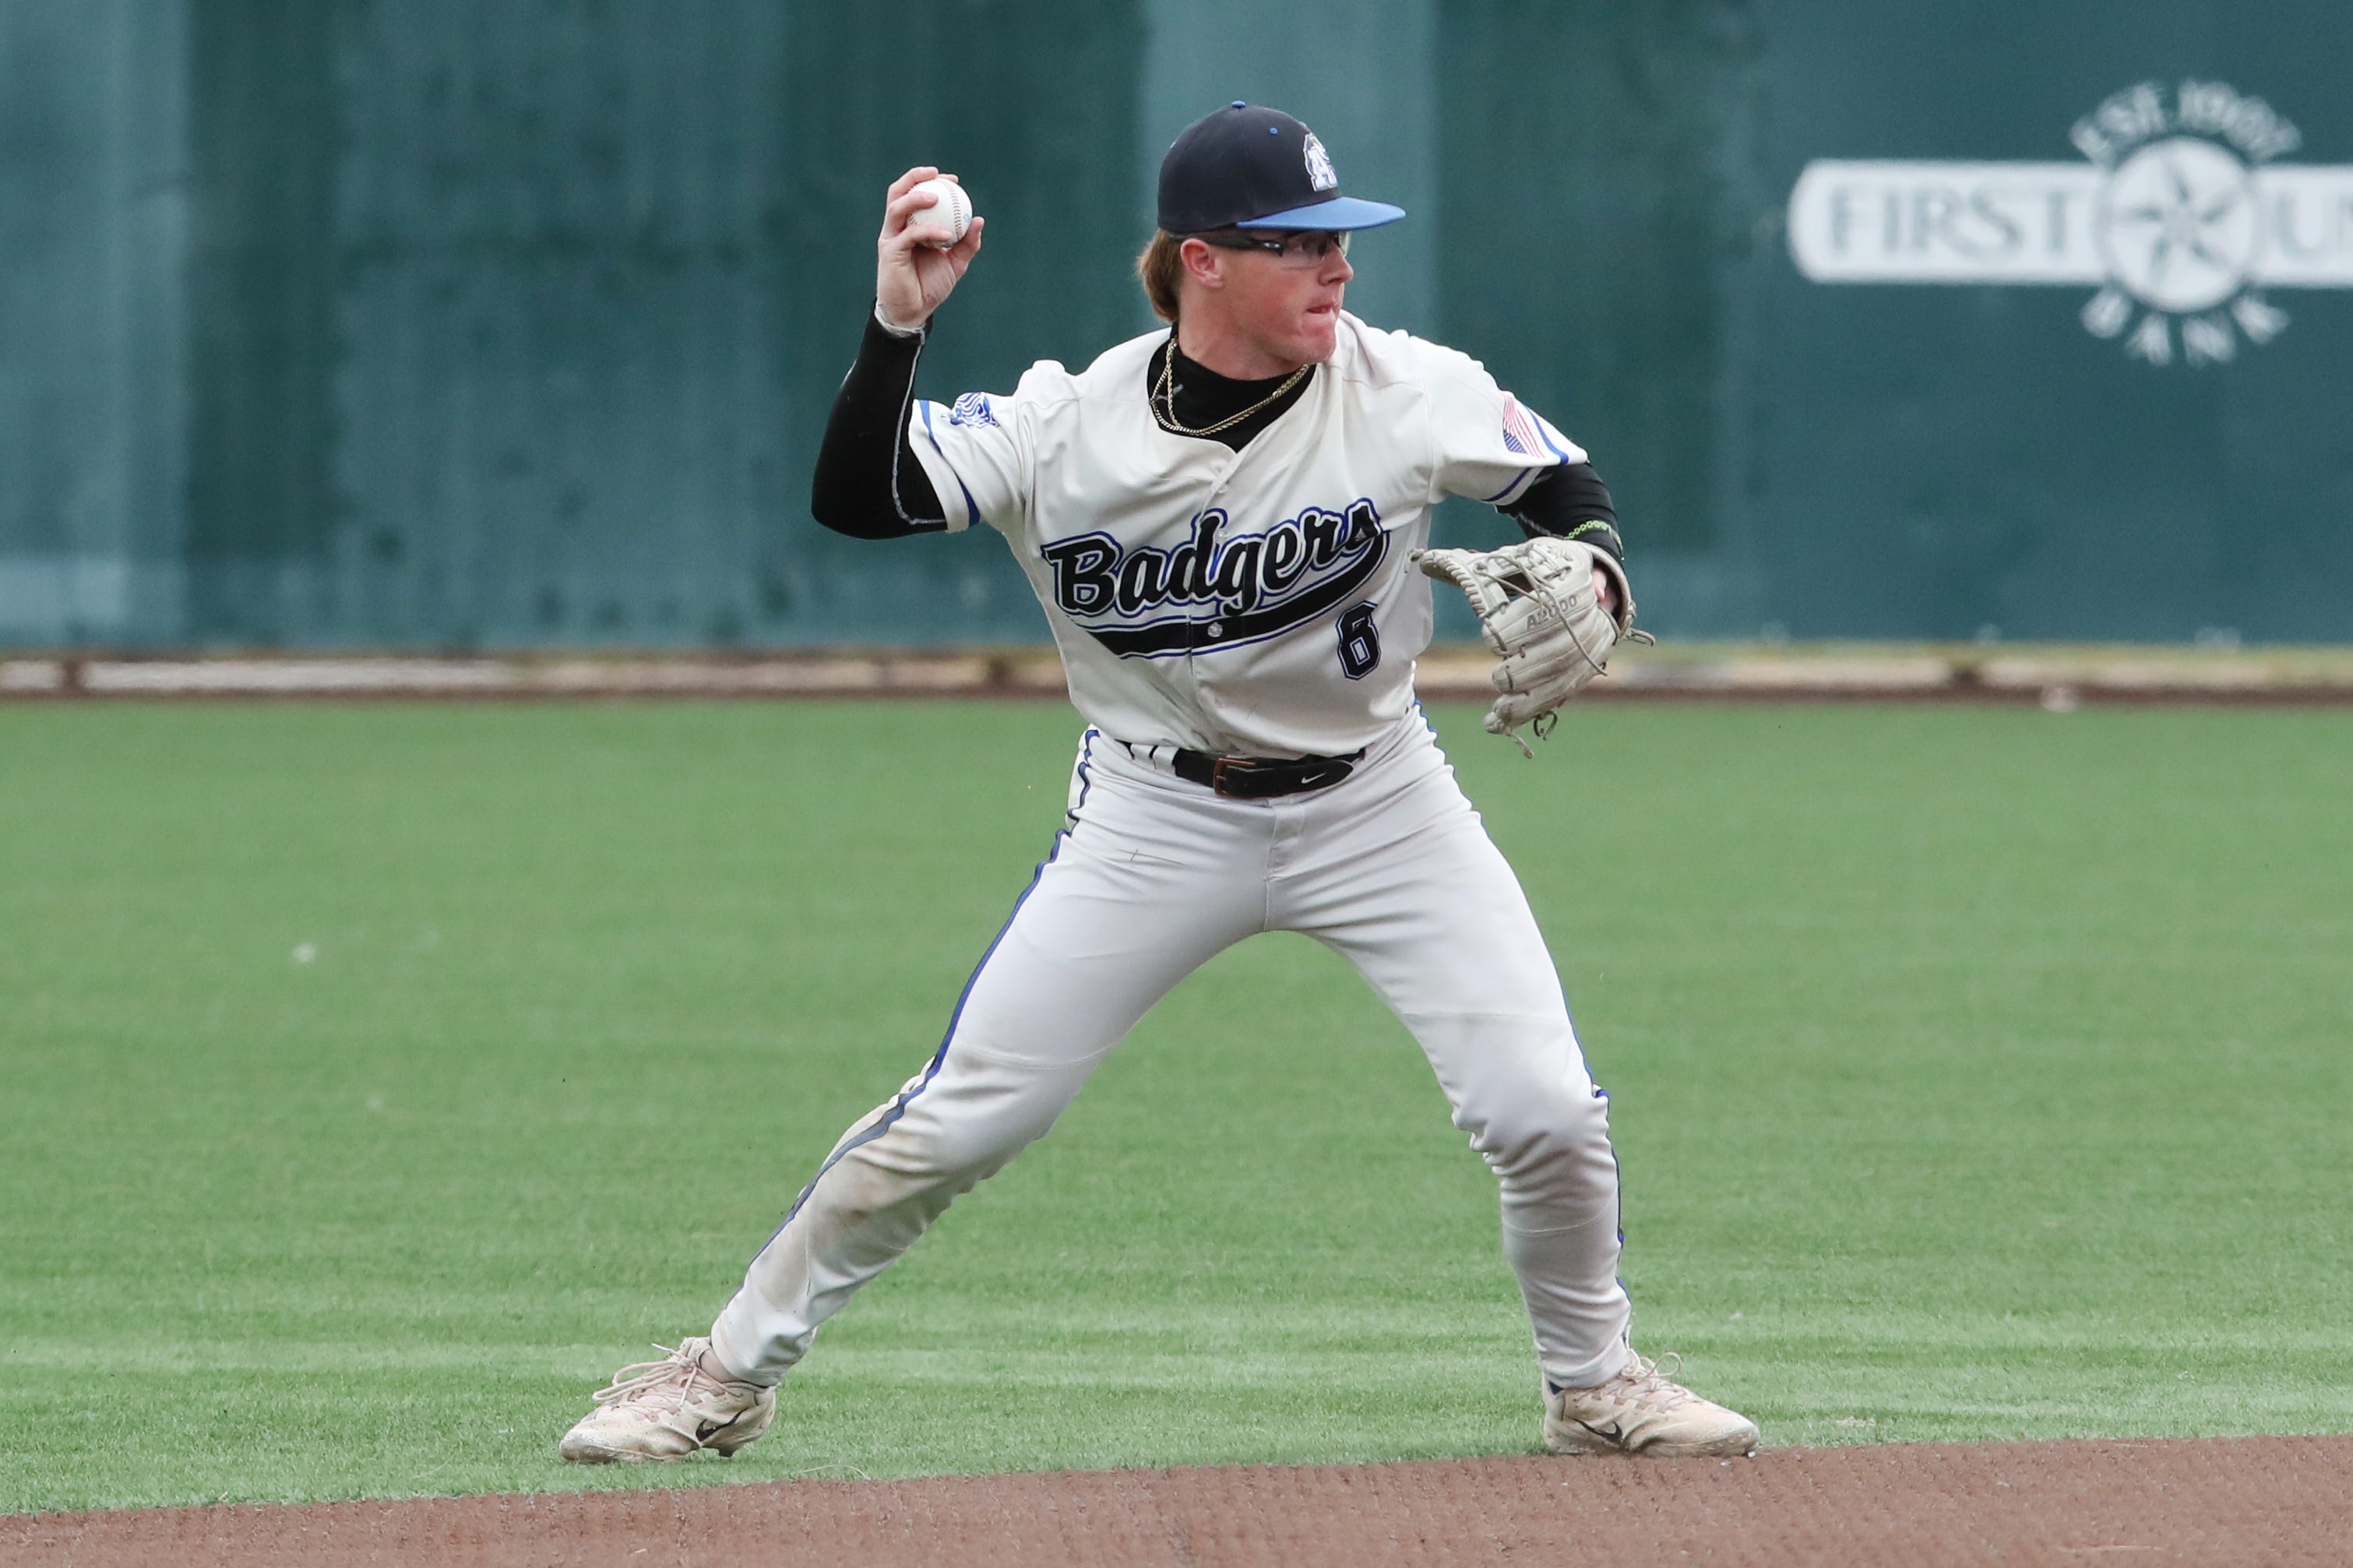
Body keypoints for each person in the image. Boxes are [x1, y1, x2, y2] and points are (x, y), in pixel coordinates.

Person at [559, 102, 1757, 1464]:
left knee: (1539, 1106)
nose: (1338, 268)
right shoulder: (1065, 423)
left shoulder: (1406, 384)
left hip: (1380, 800)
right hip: (1152, 811)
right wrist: (899, 327)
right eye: (1299, 245)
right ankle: (720, 1373)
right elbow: (863, 495)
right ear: (1200, 261)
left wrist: (1595, 562)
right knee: (964, 1116)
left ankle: (1593, 1383)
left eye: (1340, 240)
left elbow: (1560, 480)